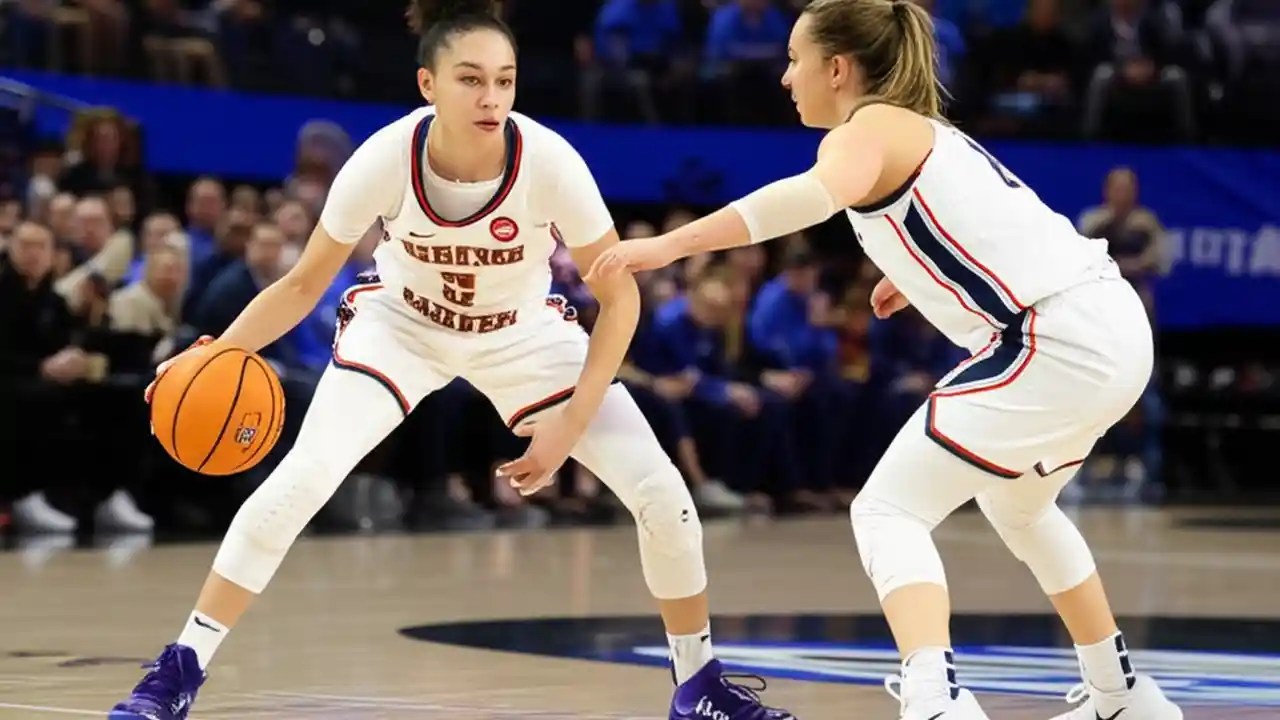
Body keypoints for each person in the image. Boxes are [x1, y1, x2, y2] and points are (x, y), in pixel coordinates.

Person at [108, 2, 793, 719]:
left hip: (521, 332)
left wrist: (569, 427)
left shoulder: (550, 161)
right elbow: (303, 283)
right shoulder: (382, 158)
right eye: (471, 80)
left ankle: (699, 685)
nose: (492, 97)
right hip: (402, 326)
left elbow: (620, 302)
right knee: (301, 480)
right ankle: (178, 671)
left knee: (664, 496)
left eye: (505, 80)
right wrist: (215, 353)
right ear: (428, 84)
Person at [586, 1, 1184, 719]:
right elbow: (991, 221)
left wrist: (669, 246)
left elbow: (803, 198)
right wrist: (918, 271)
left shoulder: (866, 127)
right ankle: (1122, 695)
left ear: (837, 69)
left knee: (886, 509)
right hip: (1109, 329)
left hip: (1059, 339)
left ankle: (935, 700)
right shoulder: (923, 131)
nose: (784, 77)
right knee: (1020, 506)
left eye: (793, 60)